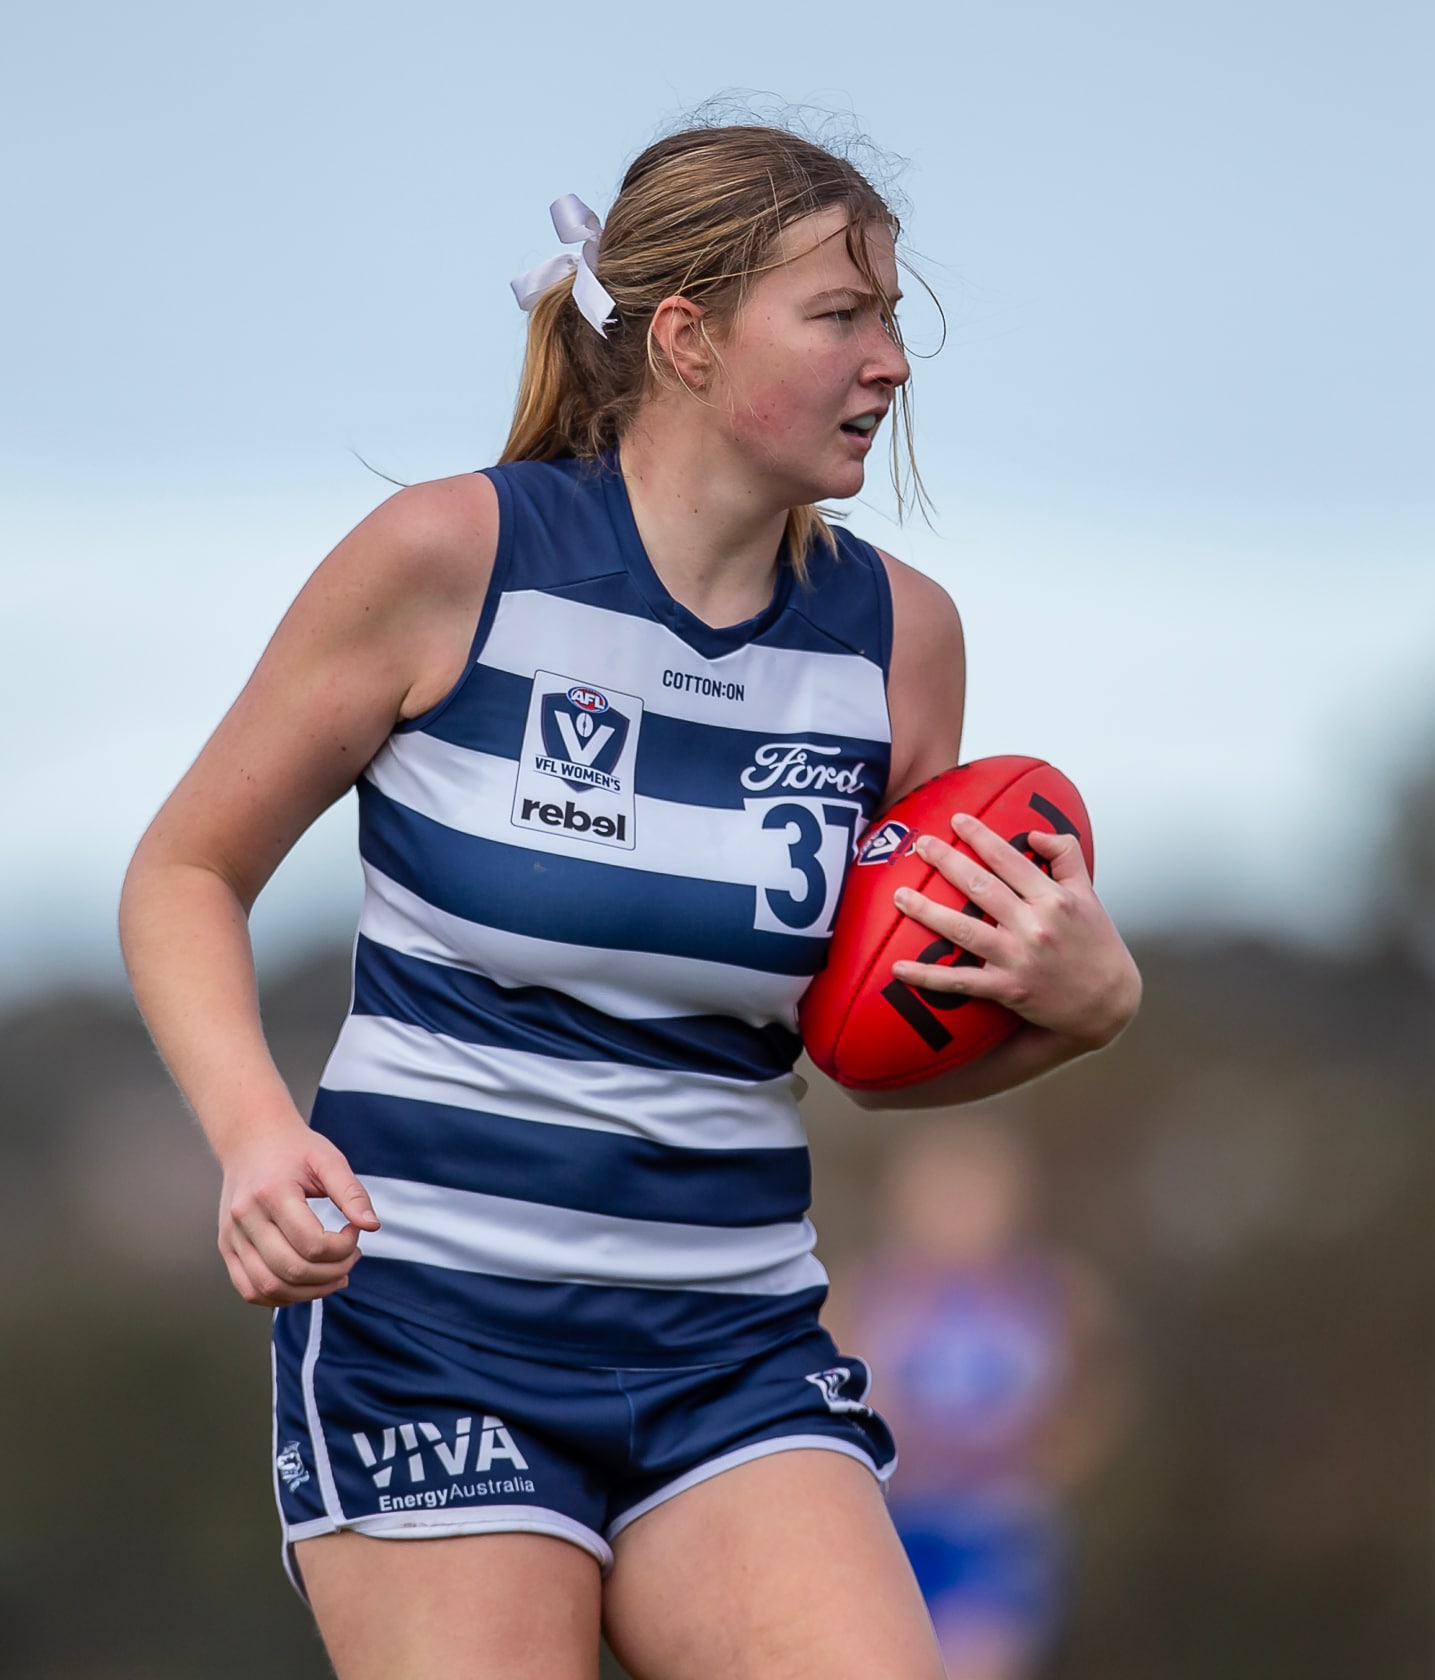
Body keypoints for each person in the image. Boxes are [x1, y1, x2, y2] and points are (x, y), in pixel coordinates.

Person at [117, 117, 1142, 1680]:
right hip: (433, 1334)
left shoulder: (898, 646)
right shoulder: (454, 557)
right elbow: (183, 872)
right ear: (687, 339)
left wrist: (1080, 1013)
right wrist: (257, 1135)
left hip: (732, 1349)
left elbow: (859, 1044)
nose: (893, 365)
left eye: (893, 320)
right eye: (841, 317)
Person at [834, 1116, 1129, 1680]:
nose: (957, 1212)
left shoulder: (1052, 1291)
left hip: (995, 1529)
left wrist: (1067, 1453)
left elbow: (1109, 1376)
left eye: (973, 1194)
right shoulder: (867, 1290)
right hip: (894, 1523)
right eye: (940, 1194)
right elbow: (823, 1394)